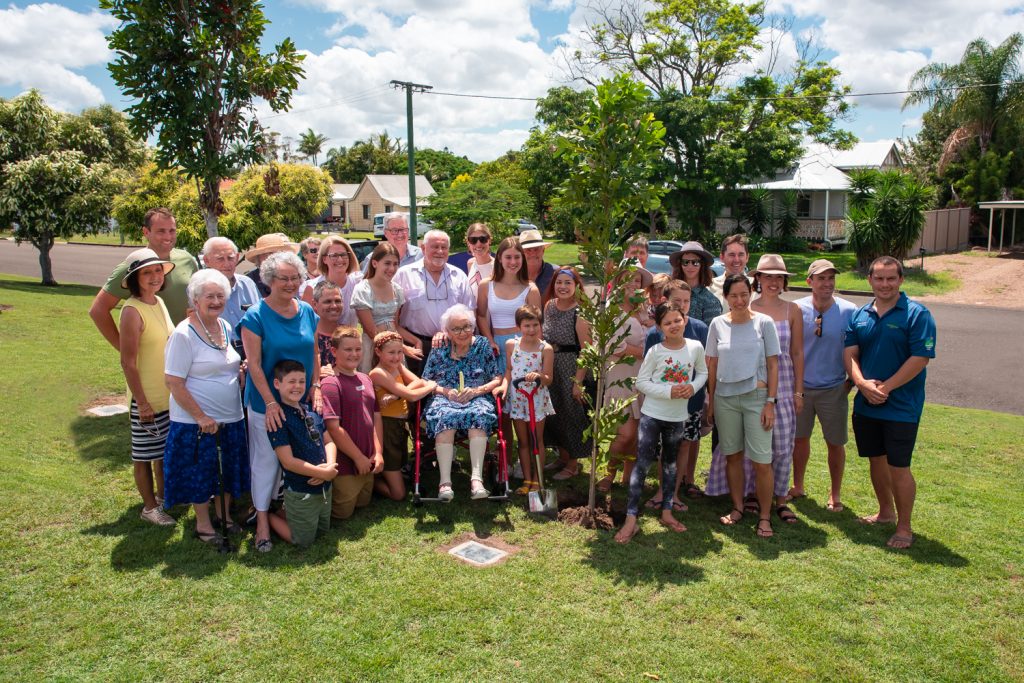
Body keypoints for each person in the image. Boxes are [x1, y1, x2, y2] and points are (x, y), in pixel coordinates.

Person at [844, 256, 936, 549]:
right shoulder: (860, 315)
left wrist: (885, 387)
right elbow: (850, 354)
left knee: (899, 466)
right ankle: (885, 513)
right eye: (879, 278)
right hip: (867, 404)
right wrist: (860, 384)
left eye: (891, 278)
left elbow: (920, 358)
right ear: (869, 280)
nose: (885, 284)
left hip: (901, 407)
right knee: (876, 460)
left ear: (901, 280)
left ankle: (904, 527)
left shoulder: (917, 314)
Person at [238, 251, 321, 553]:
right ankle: (261, 523)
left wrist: (316, 385)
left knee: (297, 457)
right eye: (283, 278)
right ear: (269, 280)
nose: (289, 283)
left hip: (299, 401)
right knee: (266, 463)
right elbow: (255, 364)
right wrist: (271, 403)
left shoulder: (308, 311)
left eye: (295, 278)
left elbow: (313, 352)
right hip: (266, 404)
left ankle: (283, 510)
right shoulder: (255, 316)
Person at [162, 269, 250, 544]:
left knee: (226, 470)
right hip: (197, 422)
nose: (215, 301)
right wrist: (200, 416)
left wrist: (241, 371)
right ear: (195, 299)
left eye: (220, 296)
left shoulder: (224, 326)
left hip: (231, 416)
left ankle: (223, 516)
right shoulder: (184, 334)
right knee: (200, 473)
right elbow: (174, 382)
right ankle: (203, 525)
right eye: (209, 296)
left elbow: (224, 367)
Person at [616, 303, 707, 543]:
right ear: (659, 327)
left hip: (677, 418)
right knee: (642, 465)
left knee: (670, 465)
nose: (673, 326)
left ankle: (667, 512)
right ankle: (631, 519)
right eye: (667, 323)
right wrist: (669, 392)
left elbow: (703, 373)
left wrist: (692, 387)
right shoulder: (655, 351)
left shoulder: (695, 347)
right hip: (652, 416)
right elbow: (642, 383)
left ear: (684, 319)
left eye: (677, 320)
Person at [705, 273, 780, 538]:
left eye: (744, 294)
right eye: (734, 295)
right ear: (725, 297)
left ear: (751, 293)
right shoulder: (716, 324)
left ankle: (764, 516)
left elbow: (773, 364)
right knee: (732, 456)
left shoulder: (764, 323)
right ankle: (737, 508)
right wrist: (711, 402)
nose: (739, 300)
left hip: (757, 399)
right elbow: (711, 364)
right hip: (725, 400)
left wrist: (770, 402)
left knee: (762, 460)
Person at [790, 259, 857, 511]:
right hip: (802, 388)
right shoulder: (796, 309)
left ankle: (835, 493)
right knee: (799, 440)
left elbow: (858, 349)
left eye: (831, 278)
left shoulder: (849, 311)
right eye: (821, 278)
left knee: (835, 443)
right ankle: (798, 485)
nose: (827, 284)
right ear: (809, 282)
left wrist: (850, 382)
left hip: (834, 389)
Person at [117, 248, 177, 526]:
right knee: (143, 457)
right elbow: (128, 362)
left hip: (167, 396)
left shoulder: (158, 302)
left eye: (156, 271)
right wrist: (141, 401)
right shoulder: (131, 310)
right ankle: (149, 507)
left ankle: (164, 498)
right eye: (146, 273)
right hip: (147, 398)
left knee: (162, 454)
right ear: (134, 278)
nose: (154, 277)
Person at [744, 255, 805, 524]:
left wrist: (798, 392)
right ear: (757, 279)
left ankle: (781, 498)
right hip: (754, 382)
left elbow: (798, 353)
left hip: (785, 383)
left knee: (782, 445)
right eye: (767, 276)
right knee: (755, 441)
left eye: (778, 276)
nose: (773, 281)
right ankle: (754, 495)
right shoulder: (747, 307)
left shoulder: (793, 311)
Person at [420, 304, 503, 501]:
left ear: (473, 327)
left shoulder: (482, 345)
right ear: (447, 331)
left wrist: (477, 391)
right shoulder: (440, 347)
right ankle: (445, 483)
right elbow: (425, 380)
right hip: (445, 398)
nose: (462, 332)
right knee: (445, 416)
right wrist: (445, 392)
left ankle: (476, 480)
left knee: (480, 414)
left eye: (466, 326)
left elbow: (497, 378)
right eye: (456, 329)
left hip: (477, 396)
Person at [90, 207, 198, 350]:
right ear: (146, 232)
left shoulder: (186, 259)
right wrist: (124, 349)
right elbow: (98, 310)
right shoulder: (132, 267)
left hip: (190, 347)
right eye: (161, 231)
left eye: (172, 230)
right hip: (156, 354)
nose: (168, 236)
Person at [643, 280, 709, 503]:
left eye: (686, 301)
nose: (683, 304)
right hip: (663, 405)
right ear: (666, 301)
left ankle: (675, 493)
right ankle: (662, 490)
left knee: (684, 446)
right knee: (666, 449)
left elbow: (704, 368)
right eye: (677, 301)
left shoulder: (699, 329)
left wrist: (701, 393)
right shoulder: (655, 333)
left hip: (691, 402)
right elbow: (647, 374)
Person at [265, 360, 338, 548]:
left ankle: (288, 513)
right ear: (277, 384)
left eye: (301, 381)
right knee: (303, 541)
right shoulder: (278, 419)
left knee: (323, 531)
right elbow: (287, 462)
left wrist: (329, 466)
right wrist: (321, 473)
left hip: (324, 486)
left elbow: (329, 441)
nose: (297, 386)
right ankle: (267, 516)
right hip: (301, 489)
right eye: (291, 381)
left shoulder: (312, 411)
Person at [596, 267, 652, 492]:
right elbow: (613, 346)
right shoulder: (610, 310)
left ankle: (628, 478)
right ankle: (608, 473)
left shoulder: (644, 310)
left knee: (638, 433)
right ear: (618, 282)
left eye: (637, 280)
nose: (633, 283)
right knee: (625, 432)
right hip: (621, 375)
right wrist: (646, 352)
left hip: (645, 377)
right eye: (627, 279)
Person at [321, 327, 384, 521]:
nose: (354, 354)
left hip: (368, 460)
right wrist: (357, 457)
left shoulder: (365, 379)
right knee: (343, 513)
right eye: (348, 350)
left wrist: (378, 452)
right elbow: (333, 428)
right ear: (334, 352)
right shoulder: (331, 383)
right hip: (347, 463)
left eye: (358, 349)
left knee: (363, 503)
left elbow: (375, 417)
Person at [393, 229, 475, 375]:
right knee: (417, 393)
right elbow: (393, 318)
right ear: (423, 248)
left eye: (444, 247)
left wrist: (450, 334)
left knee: (450, 390)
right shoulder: (404, 274)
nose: (440, 251)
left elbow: (470, 314)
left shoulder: (459, 276)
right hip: (416, 345)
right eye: (435, 247)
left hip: (453, 344)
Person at [368, 331, 437, 501]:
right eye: (391, 353)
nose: (396, 357)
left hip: (400, 423)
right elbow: (415, 393)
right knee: (399, 494)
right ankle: (369, 482)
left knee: (399, 461)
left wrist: (397, 395)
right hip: (387, 425)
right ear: (378, 352)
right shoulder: (378, 373)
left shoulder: (396, 366)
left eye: (400, 352)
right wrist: (431, 386)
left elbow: (418, 381)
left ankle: (385, 475)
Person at [541, 266, 593, 480]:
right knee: (554, 414)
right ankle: (562, 457)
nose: (562, 287)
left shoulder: (580, 313)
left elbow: (587, 349)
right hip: (552, 367)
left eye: (567, 283)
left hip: (572, 367)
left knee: (572, 415)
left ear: (576, 286)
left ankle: (573, 463)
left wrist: (578, 382)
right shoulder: (549, 306)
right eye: (559, 282)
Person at [499, 305, 554, 495]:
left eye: (535, 325)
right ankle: (527, 479)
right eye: (526, 325)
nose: (531, 330)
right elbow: (508, 370)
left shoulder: (545, 348)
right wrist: (504, 387)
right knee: (522, 441)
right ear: (518, 326)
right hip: (518, 398)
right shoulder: (511, 345)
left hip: (536, 398)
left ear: (540, 325)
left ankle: (539, 479)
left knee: (536, 439)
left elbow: (549, 378)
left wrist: (538, 376)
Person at [350, 242, 421, 373]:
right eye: (387, 263)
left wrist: (416, 341)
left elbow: (395, 326)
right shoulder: (363, 289)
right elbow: (371, 331)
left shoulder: (397, 290)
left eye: (395, 264)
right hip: (373, 347)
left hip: (394, 349)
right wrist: (404, 348)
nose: (392, 268)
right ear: (375, 263)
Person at [477, 236, 542, 373]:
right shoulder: (485, 285)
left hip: (525, 345)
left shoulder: (530, 289)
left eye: (517, 257)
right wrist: (490, 341)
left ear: (522, 258)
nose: (513, 262)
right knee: (501, 390)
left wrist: (537, 354)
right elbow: (481, 315)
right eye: (508, 257)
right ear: (500, 258)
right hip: (497, 346)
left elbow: (538, 325)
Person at [198, 236, 260, 350]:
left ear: (237, 258)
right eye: (220, 259)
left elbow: (261, 320)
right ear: (206, 261)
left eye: (230, 258)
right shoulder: (198, 289)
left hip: (252, 350)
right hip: (218, 352)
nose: (227, 264)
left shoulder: (248, 284)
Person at [301, 235, 359, 327]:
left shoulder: (358, 283)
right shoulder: (312, 288)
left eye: (343, 254)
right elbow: (305, 325)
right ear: (324, 259)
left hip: (351, 339)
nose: (340, 259)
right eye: (334, 255)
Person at [669, 240, 722, 326]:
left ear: (702, 265)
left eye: (695, 262)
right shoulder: (668, 294)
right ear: (680, 264)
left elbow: (710, 336)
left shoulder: (711, 301)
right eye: (685, 262)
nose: (690, 266)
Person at [244, 233, 300, 297]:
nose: (272, 257)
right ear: (258, 257)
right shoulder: (249, 280)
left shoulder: (294, 275)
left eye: (276, 253)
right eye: (268, 254)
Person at [312, 280, 345, 371]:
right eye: (328, 302)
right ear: (315, 304)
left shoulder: (348, 334)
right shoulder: (308, 336)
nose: (334, 306)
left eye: (338, 301)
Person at [710, 234, 751, 306]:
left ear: (747, 257)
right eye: (732, 255)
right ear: (722, 257)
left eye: (741, 254)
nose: (736, 260)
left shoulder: (756, 286)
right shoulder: (711, 287)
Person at [519, 229, 556, 294]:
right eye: (528, 250)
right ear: (521, 253)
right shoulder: (513, 274)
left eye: (536, 249)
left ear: (543, 251)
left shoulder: (555, 272)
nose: (533, 254)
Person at [463, 223, 495, 290]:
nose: (478, 244)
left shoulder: (498, 266)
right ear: (468, 243)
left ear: (489, 241)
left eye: (483, 239)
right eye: (473, 240)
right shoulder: (470, 263)